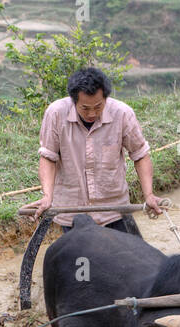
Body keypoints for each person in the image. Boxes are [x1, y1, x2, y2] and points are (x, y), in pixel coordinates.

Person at [27, 67, 162, 235]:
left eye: (98, 107)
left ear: (106, 97)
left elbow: (140, 155)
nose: (92, 113)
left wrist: (148, 194)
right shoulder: (56, 114)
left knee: (135, 257)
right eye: (85, 108)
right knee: (82, 261)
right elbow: (48, 157)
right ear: (74, 100)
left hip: (115, 209)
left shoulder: (122, 114)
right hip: (72, 211)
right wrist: (47, 196)